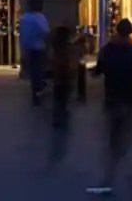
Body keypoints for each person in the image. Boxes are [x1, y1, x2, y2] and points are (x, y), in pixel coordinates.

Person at [89, 18, 132, 194]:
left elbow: (97, 71)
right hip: (128, 98)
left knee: (114, 136)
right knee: (127, 136)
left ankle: (112, 170)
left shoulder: (106, 50)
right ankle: (125, 171)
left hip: (112, 98)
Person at [48, 26, 78, 166]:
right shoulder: (68, 49)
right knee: (63, 95)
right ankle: (62, 115)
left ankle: (58, 115)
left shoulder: (56, 48)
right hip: (65, 78)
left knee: (58, 95)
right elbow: (72, 64)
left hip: (59, 79)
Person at [20, 0, 51, 105]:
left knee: (33, 71)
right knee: (39, 70)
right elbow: (45, 31)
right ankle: (38, 90)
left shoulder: (24, 18)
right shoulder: (40, 18)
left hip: (28, 47)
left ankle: (35, 91)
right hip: (39, 47)